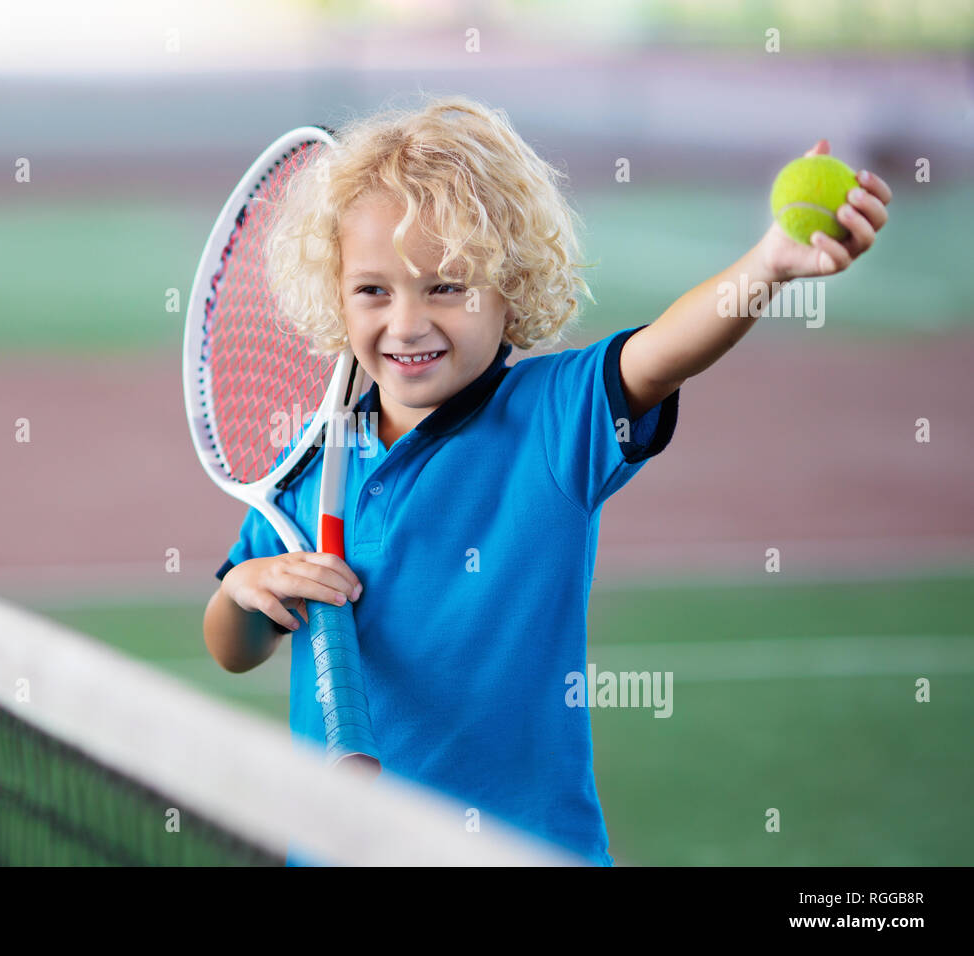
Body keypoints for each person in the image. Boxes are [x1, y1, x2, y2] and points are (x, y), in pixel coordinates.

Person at [201, 94, 891, 864]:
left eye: (447, 286)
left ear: (511, 285)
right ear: (335, 292)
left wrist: (767, 267)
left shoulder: (553, 421)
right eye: (373, 289)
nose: (407, 322)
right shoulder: (305, 459)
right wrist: (244, 593)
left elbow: (661, 354)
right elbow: (236, 645)